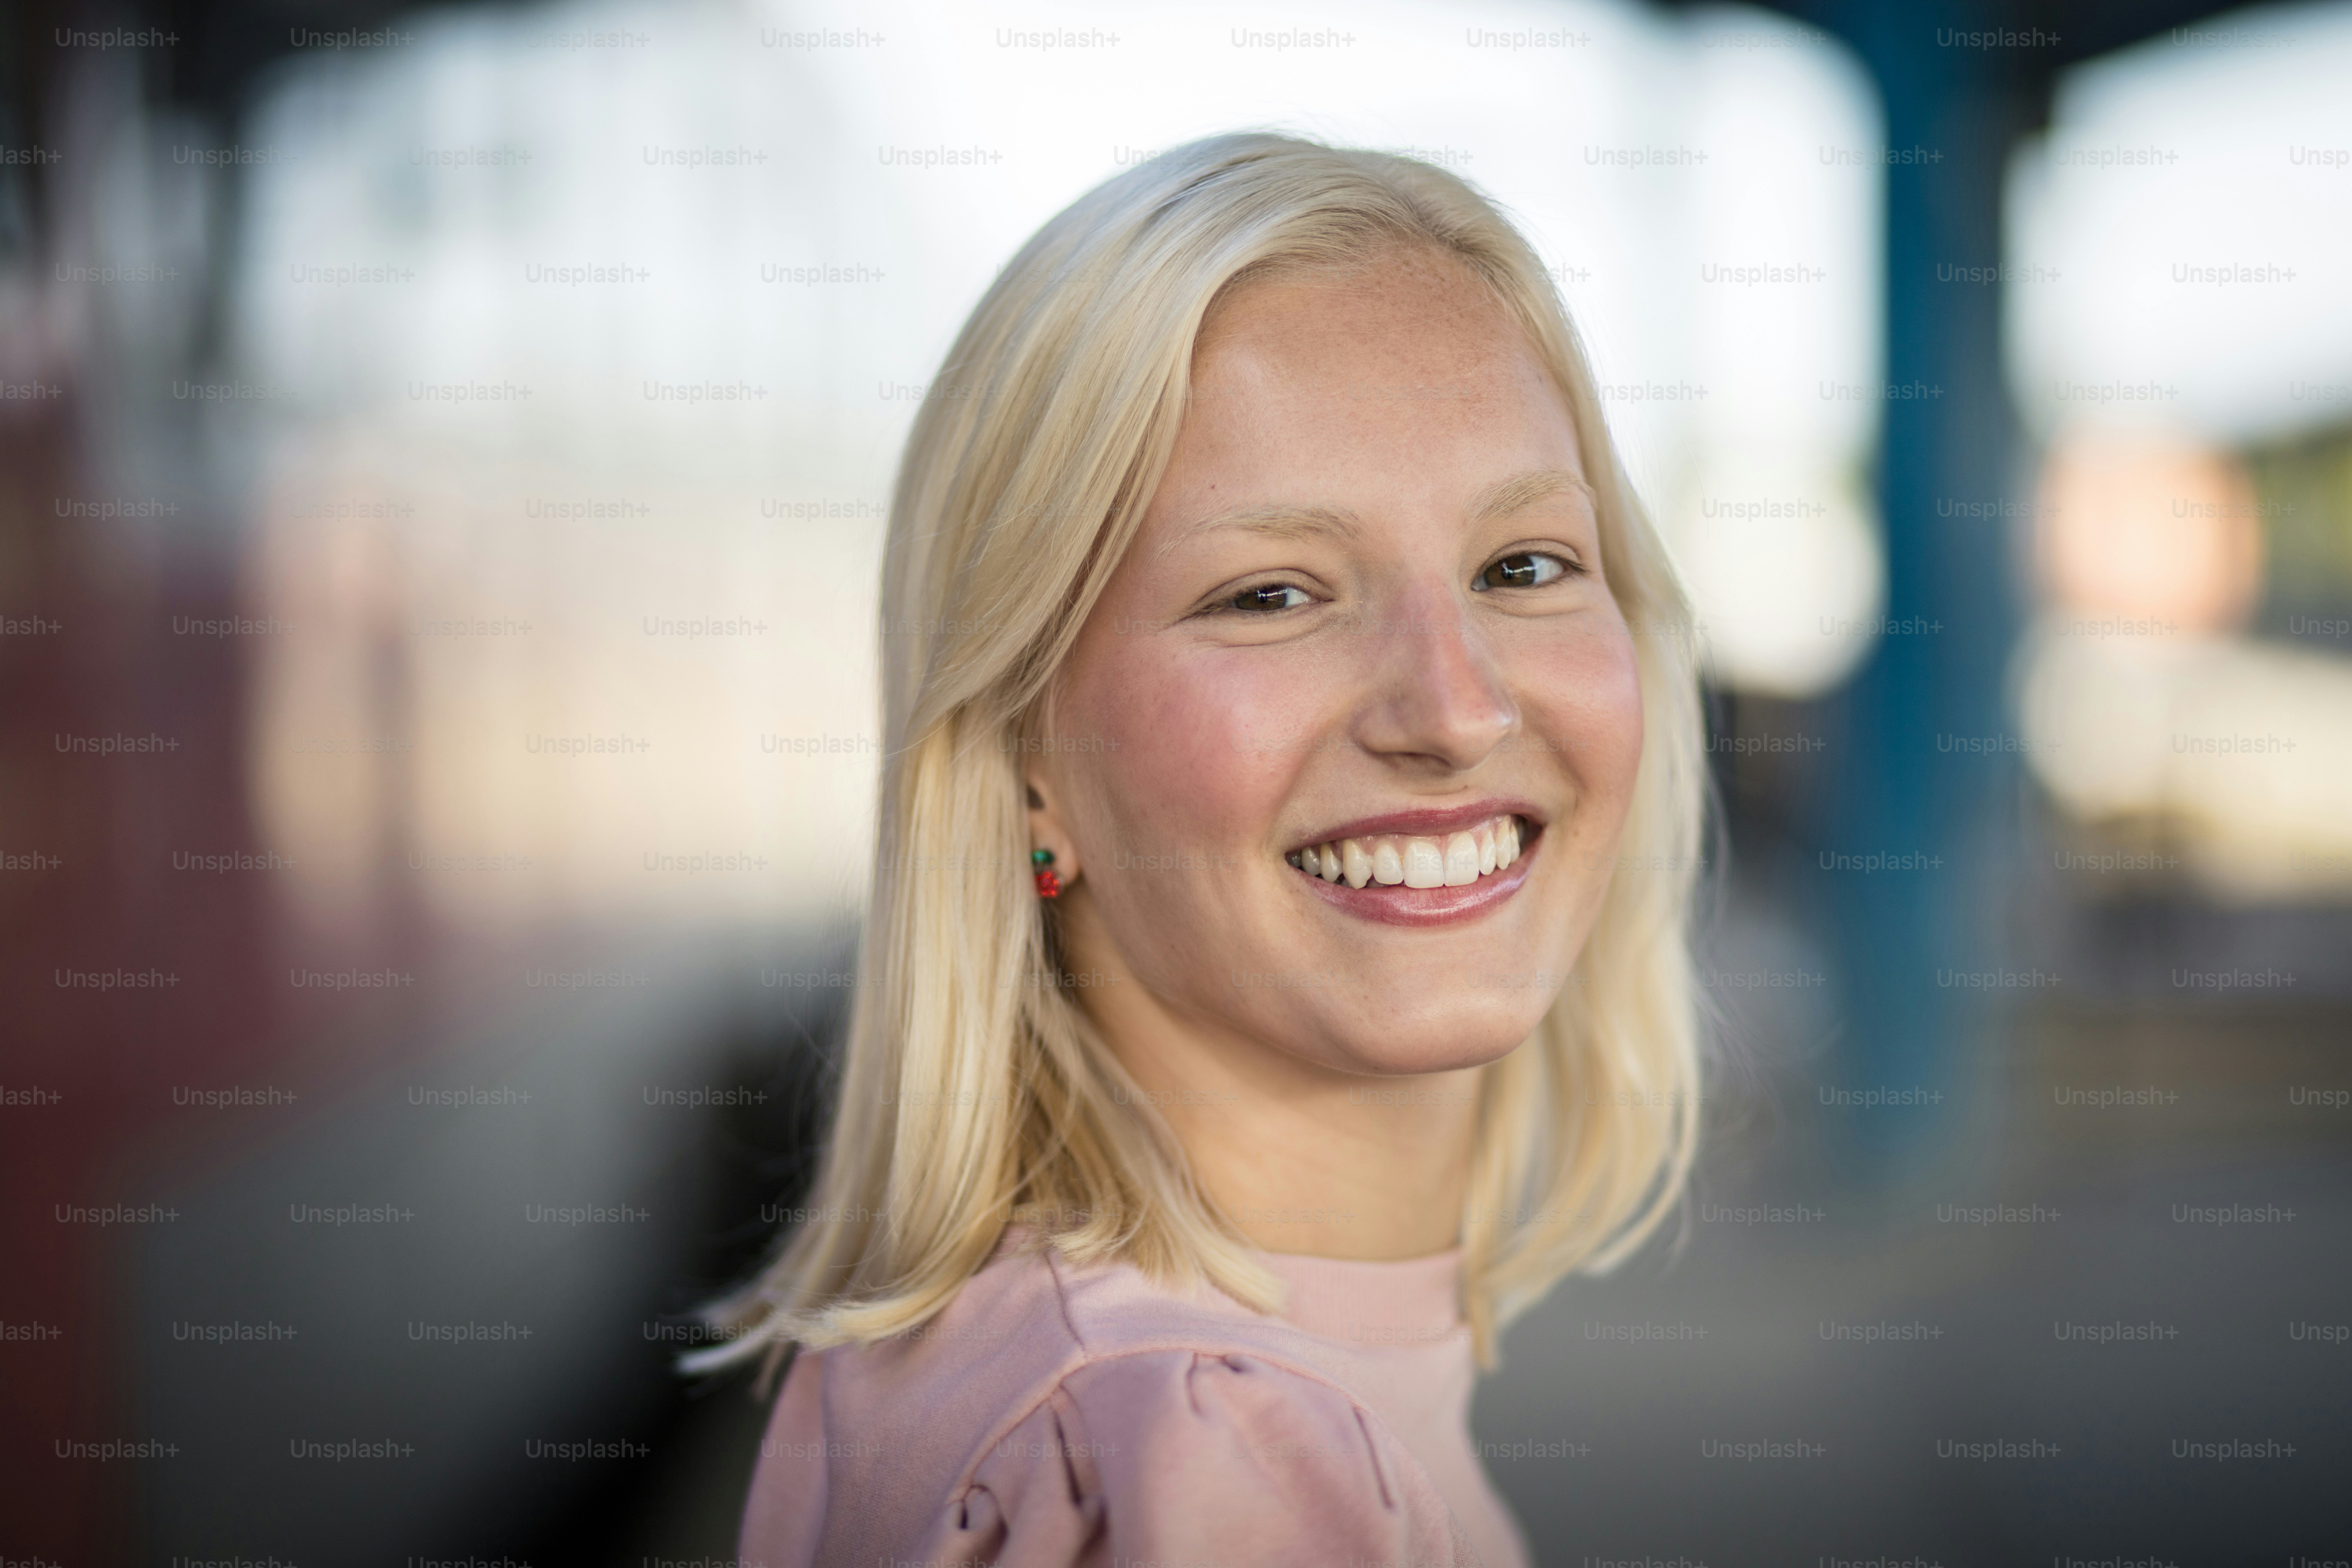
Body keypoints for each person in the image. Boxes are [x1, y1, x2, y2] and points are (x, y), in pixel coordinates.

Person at [697, 131, 1708, 1566]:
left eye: (1522, 567)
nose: (1457, 708)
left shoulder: (1019, 1371)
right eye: (1273, 594)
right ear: (1025, 762)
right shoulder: (1206, 1459)